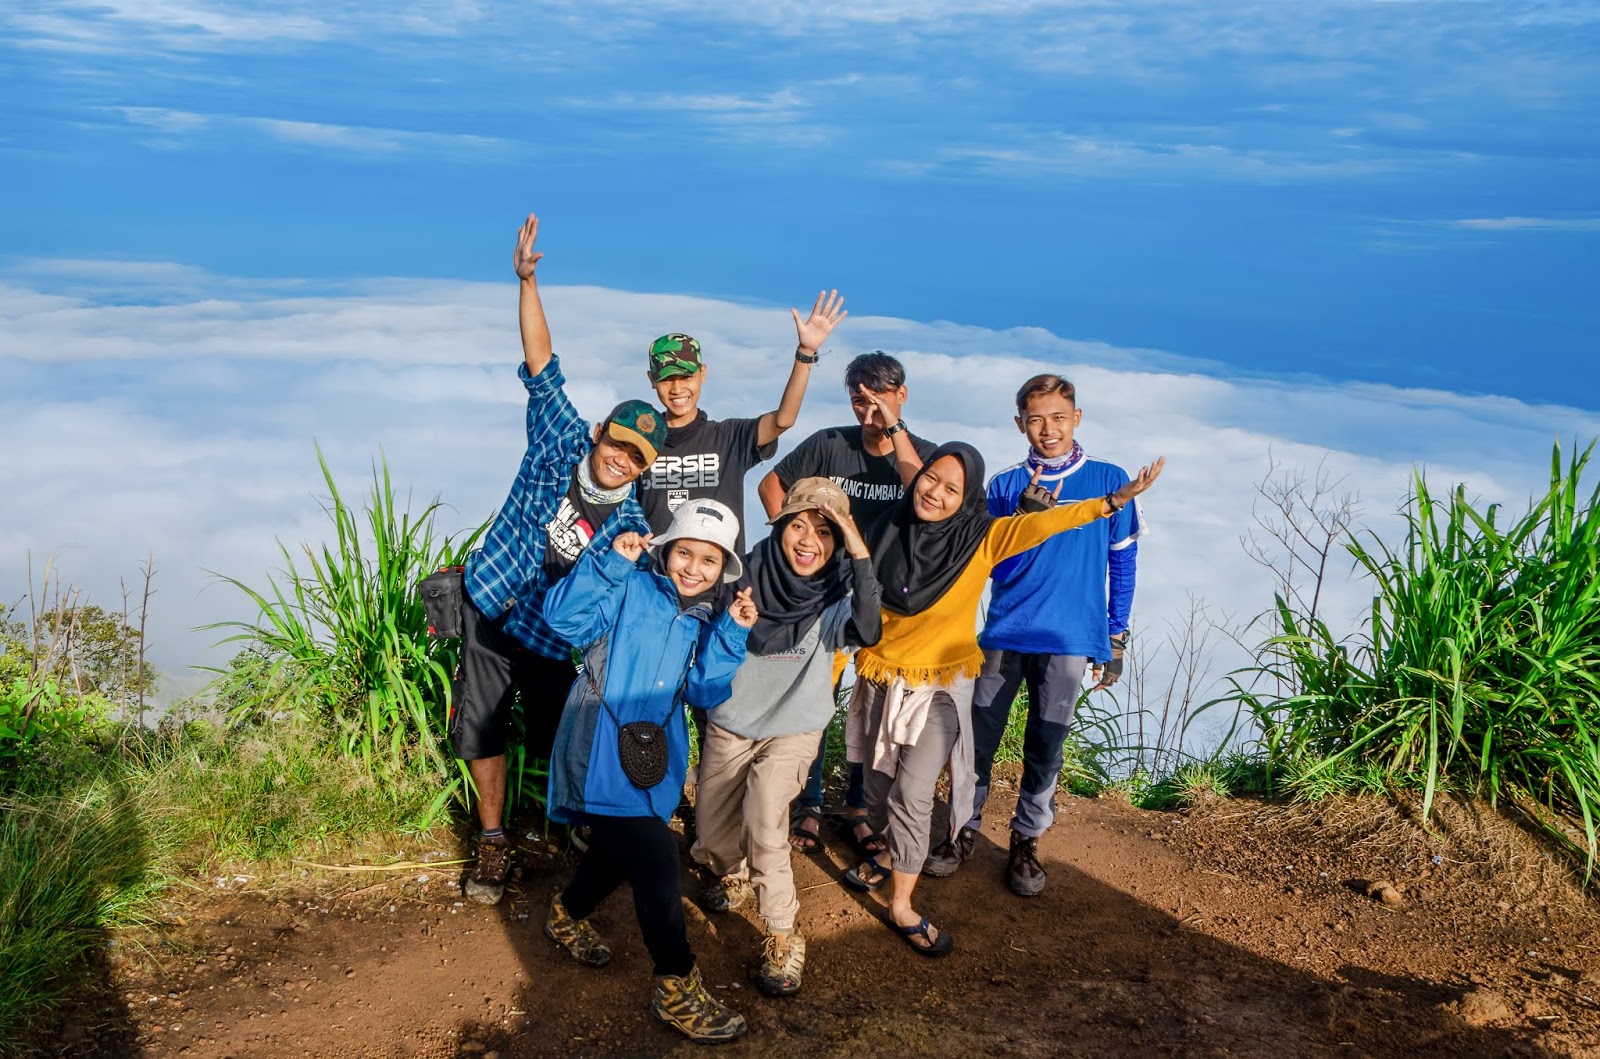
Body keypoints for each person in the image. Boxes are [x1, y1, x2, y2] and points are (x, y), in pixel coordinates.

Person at [839, 404, 1164, 957]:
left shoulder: (981, 537)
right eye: (931, 481)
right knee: (879, 785)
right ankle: (895, 850)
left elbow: (1044, 523)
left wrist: (1112, 502)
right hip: (880, 678)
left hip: (941, 685)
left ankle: (904, 903)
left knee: (917, 791)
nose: (936, 493)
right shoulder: (889, 529)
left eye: (951, 488)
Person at [456, 213, 667, 906]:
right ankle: (493, 839)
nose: (620, 457)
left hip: (550, 638)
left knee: (556, 734)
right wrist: (527, 280)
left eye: (636, 456)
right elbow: (543, 363)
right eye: (618, 441)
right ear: (602, 431)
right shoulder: (560, 439)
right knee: (480, 723)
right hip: (491, 605)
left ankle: (569, 822)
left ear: (643, 468)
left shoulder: (630, 524)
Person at [541, 499, 758, 1044]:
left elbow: (706, 691)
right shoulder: (628, 586)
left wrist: (731, 634)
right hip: (597, 753)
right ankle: (675, 985)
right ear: (665, 552)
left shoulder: (705, 618)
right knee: (657, 854)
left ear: (721, 570)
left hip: (654, 760)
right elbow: (562, 619)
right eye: (684, 552)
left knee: (621, 849)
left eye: (708, 561)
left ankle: (566, 914)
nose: (693, 568)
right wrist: (609, 563)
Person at [926, 373, 1148, 896]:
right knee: (974, 742)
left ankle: (1026, 840)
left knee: (1046, 745)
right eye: (1036, 419)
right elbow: (989, 569)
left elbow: (1124, 562)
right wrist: (1021, 522)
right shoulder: (1003, 487)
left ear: (1076, 418)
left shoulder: (1110, 481)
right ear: (1020, 423)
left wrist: (1116, 639)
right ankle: (962, 831)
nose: (1048, 429)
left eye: (1058, 417)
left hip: (1071, 640)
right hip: (1005, 635)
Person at [688, 478, 881, 997]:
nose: (808, 540)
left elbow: (870, 627)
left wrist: (858, 546)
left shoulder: (835, 597)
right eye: (798, 525)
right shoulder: (741, 579)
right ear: (780, 528)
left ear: (838, 543)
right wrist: (730, 623)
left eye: (825, 532)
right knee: (712, 832)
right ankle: (730, 873)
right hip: (732, 723)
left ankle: (781, 933)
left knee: (766, 819)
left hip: (794, 728)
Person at [756, 352, 936, 856]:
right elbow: (771, 483)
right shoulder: (830, 443)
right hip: (831, 597)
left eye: (878, 397)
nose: (867, 410)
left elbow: (923, 495)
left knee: (872, 714)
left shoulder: (922, 453)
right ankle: (809, 805)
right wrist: (796, 545)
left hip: (892, 605)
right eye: (859, 399)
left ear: (902, 393)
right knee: (816, 699)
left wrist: (893, 427)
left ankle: (858, 808)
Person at [635, 288, 847, 550]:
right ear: (651, 380)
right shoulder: (638, 443)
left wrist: (805, 352)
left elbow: (783, 420)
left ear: (703, 373)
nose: (677, 389)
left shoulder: (729, 437)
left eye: (686, 377)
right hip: (652, 583)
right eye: (667, 379)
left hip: (721, 583)